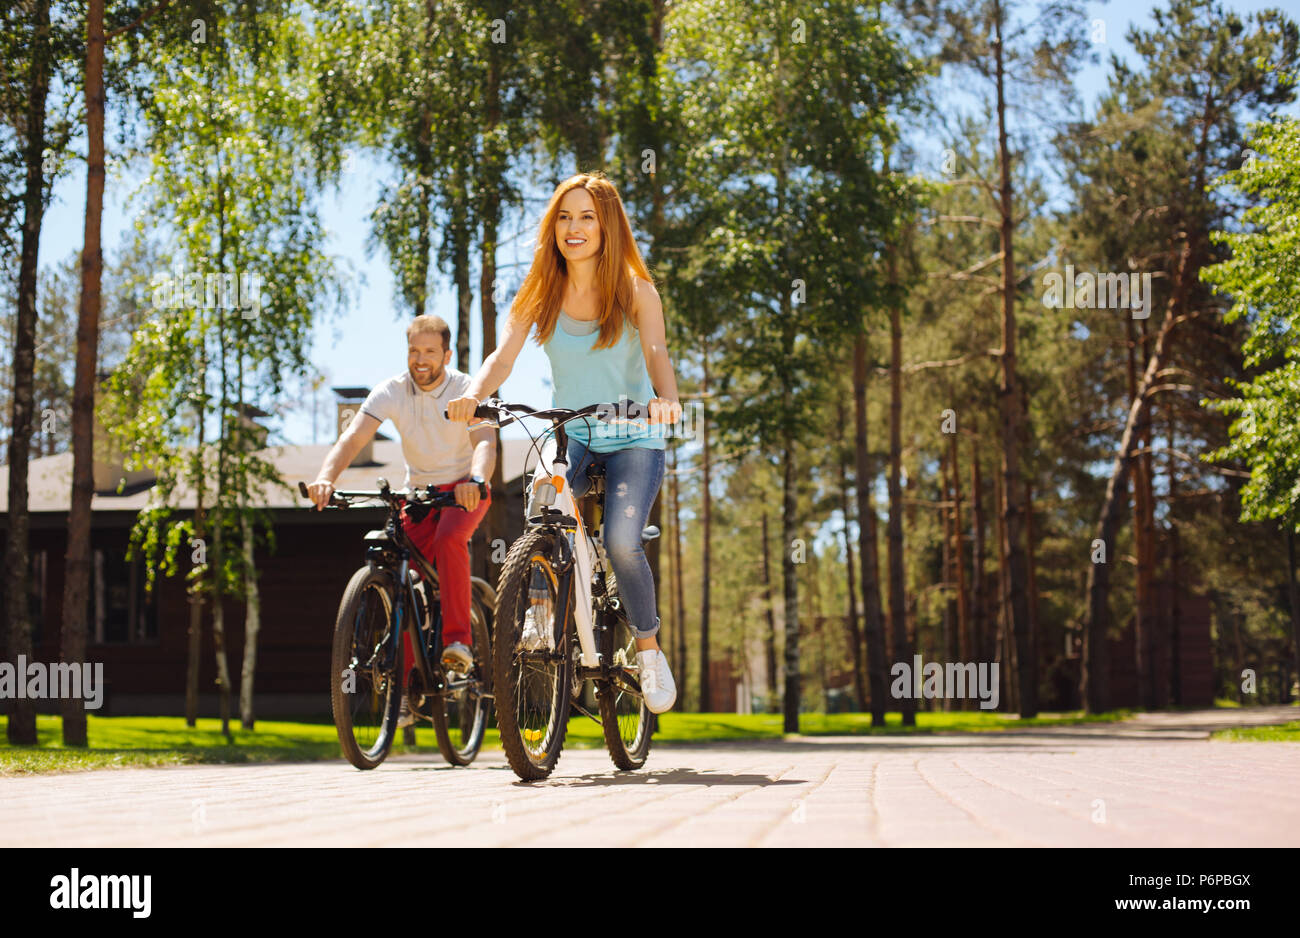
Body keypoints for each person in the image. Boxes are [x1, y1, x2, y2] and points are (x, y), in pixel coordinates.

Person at [448, 171, 682, 713]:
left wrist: (666, 398)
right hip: (573, 431)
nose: (573, 228)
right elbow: (501, 357)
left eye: (587, 217)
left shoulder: (635, 290)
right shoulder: (541, 291)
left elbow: (656, 355)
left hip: (632, 436)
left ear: (608, 226)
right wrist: (475, 396)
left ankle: (647, 650)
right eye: (564, 216)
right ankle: (540, 615)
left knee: (623, 541)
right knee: (543, 506)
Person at [308, 315, 495, 720]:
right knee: (401, 575)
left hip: (464, 488)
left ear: (447, 354)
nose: (420, 359)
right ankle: (407, 686)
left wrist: (477, 480)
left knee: (449, 540)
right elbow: (354, 437)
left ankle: (459, 642)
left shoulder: (466, 389)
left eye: (430, 351)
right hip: (419, 494)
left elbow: (484, 440)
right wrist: (326, 478)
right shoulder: (392, 391)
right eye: (414, 350)